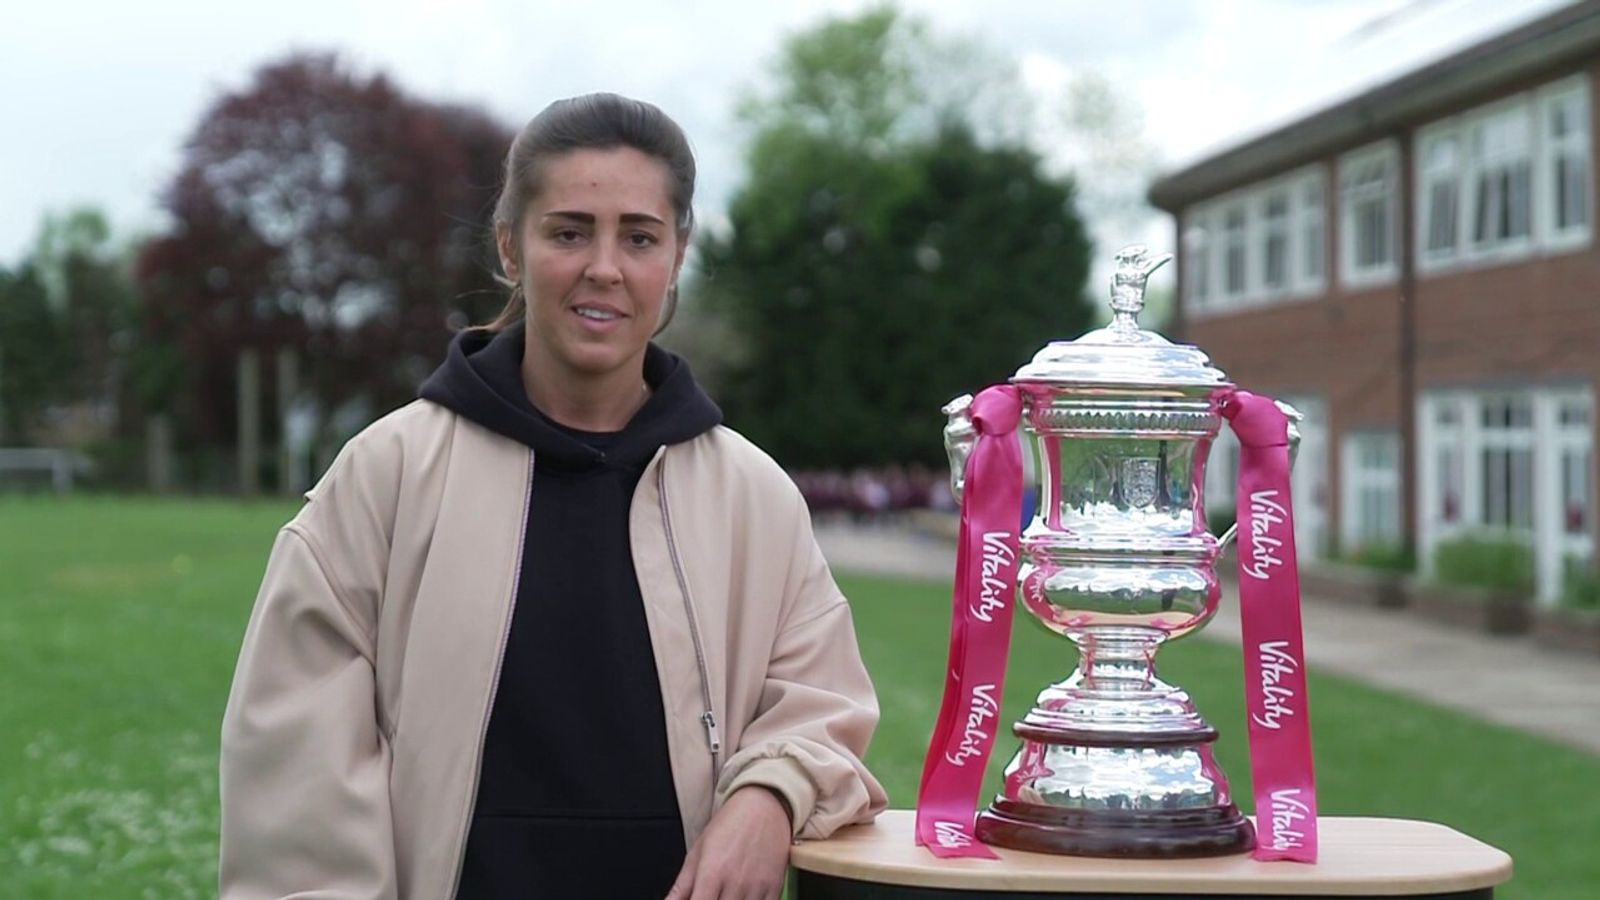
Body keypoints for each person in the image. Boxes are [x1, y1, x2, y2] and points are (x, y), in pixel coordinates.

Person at [218, 93, 887, 900]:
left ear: (677, 255)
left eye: (638, 237)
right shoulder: (387, 474)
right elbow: (297, 778)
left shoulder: (753, 499)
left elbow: (823, 710)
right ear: (510, 247)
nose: (603, 266)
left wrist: (768, 795)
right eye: (569, 232)